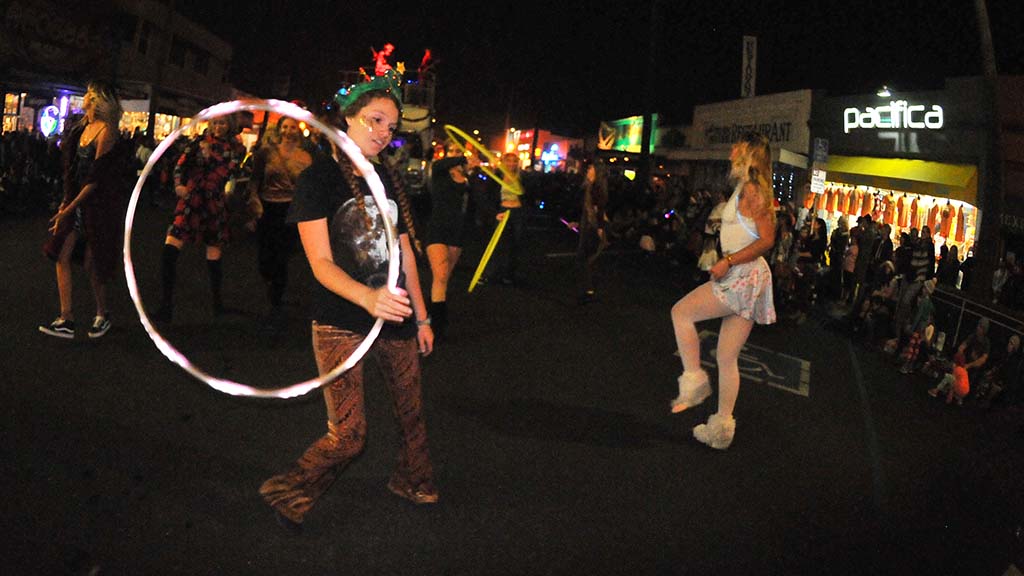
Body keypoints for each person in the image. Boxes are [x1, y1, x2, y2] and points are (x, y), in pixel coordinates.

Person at [259, 73, 437, 531]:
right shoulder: (319, 179)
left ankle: (412, 480)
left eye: (392, 127)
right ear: (349, 119)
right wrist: (368, 297)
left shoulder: (388, 177)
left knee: (411, 410)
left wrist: (422, 317)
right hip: (341, 320)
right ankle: (288, 490)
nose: (384, 132)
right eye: (375, 120)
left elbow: (407, 257)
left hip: (394, 315)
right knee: (350, 436)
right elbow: (319, 263)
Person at [669, 132, 776, 450]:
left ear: (749, 154)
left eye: (737, 147)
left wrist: (728, 260)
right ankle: (721, 431)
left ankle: (694, 382)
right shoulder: (745, 187)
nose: (731, 151)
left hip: (742, 277)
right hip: (745, 277)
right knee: (727, 357)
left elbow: (767, 240)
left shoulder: (755, 190)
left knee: (681, 313)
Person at [40, 80, 128, 340]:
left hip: (97, 205)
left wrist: (69, 208)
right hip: (75, 200)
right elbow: (72, 171)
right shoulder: (84, 127)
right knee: (61, 255)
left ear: (101, 100)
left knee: (93, 262)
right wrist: (64, 203)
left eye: (92, 94)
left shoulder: (106, 131)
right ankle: (66, 318)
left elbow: (96, 178)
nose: (86, 97)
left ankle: (103, 313)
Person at [153, 115, 245, 322]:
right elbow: (180, 165)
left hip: (213, 202)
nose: (218, 126)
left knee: (213, 252)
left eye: (222, 123)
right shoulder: (196, 142)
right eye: (215, 122)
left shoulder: (234, 149)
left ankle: (217, 303)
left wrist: (209, 155)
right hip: (191, 200)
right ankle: (166, 304)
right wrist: (178, 185)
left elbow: (227, 172)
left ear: (229, 125)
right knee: (170, 248)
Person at [247, 115, 314, 322]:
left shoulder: (306, 157)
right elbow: (254, 179)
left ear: (298, 131)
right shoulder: (267, 152)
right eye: (284, 127)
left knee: (282, 255)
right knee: (265, 256)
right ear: (279, 130)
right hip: (267, 208)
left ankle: (276, 298)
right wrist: (253, 202)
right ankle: (270, 280)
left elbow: (308, 189)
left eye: (292, 127)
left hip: (290, 209)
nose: (288, 131)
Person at [424, 145, 480, 336]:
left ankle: (429, 310)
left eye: (459, 152)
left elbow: (479, 203)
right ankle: (437, 325)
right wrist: (463, 157)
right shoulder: (440, 172)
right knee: (440, 274)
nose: (457, 155)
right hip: (438, 229)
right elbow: (441, 163)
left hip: (458, 232)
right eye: (453, 151)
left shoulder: (468, 180)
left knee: (444, 278)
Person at [486, 152, 525, 286]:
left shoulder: (521, 177)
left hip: (518, 211)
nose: (511, 164)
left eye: (514, 161)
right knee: (498, 243)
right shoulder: (498, 176)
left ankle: (510, 274)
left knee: (515, 243)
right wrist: (494, 213)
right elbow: (489, 195)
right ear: (503, 162)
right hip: (503, 210)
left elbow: (527, 194)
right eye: (508, 161)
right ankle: (494, 273)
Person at [575, 162, 609, 304]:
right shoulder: (590, 186)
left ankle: (590, 290)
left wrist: (600, 228)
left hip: (592, 225)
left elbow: (599, 209)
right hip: (589, 223)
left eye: (591, 168)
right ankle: (589, 288)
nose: (588, 170)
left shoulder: (596, 188)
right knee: (587, 257)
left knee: (588, 257)